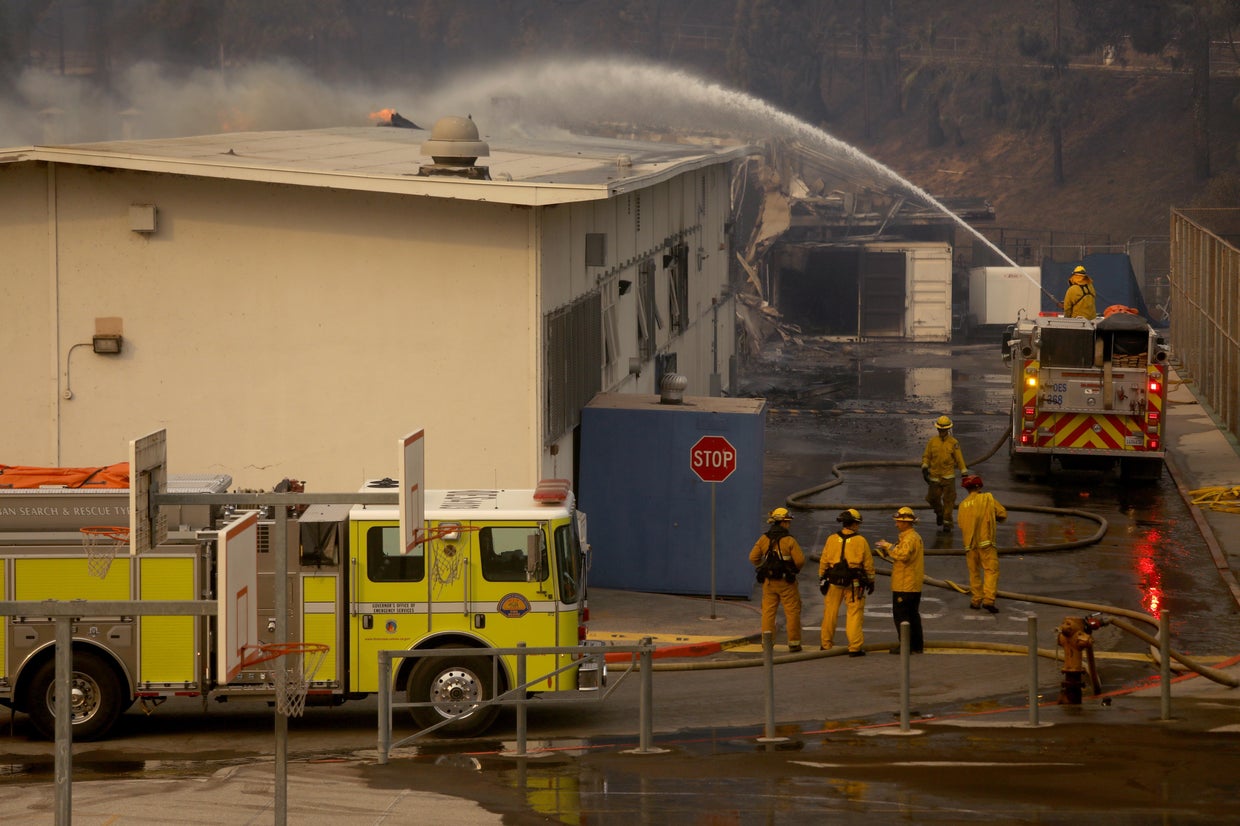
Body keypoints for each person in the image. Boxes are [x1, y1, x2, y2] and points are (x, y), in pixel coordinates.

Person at [817, 508, 875, 657]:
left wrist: (821, 578)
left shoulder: (831, 539)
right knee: (854, 613)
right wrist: (871, 580)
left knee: (830, 612)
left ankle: (826, 644)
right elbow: (868, 564)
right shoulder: (860, 541)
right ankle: (855, 647)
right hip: (854, 583)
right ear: (855, 524)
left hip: (833, 581)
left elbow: (824, 561)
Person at [748, 506, 805, 652]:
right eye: (788, 521)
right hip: (786, 582)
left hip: (769, 582)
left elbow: (753, 557)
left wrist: (763, 566)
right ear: (784, 523)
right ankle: (794, 643)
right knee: (792, 611)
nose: (789, 524)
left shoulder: (764, 539)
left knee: (768, 612)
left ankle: (767, 643)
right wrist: (793, 569)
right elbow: (800, 561)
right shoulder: (789, 541)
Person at [874, 506, 925, 654]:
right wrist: (889, 548)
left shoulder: (909, 538)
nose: (896, 524)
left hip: (904, 585)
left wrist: (887, 546)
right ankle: (917, 645)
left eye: (899, 522)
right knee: (913, 615)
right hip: (913, 584)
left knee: (902, 617)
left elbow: (903, 555)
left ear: (907, 522)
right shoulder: (912, 537)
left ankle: (905, 646)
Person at [958, 475, 1007, 613]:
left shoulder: (962, 505)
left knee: (974, 572)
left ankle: (976, 600)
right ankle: (988, 600)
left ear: (966, 489)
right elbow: (1002, 514)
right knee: (991, 570)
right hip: (986, 543)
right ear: (979, 487)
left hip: (970, 545)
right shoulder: (988, 499)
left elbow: (961, 524)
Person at [921, 415, 969, 532]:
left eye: (944, 430)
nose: (942, 431)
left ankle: (947, 523)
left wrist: (964, 472)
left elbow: (959, 458)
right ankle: (940, 513)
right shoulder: (932, 442)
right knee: (932, 498)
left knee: (949, 501)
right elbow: (927, 456)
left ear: (948, 429)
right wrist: (925, 466)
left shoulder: (953, 443)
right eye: (940, 429)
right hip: (934, 477)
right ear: (938, 429)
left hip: (948, 477)